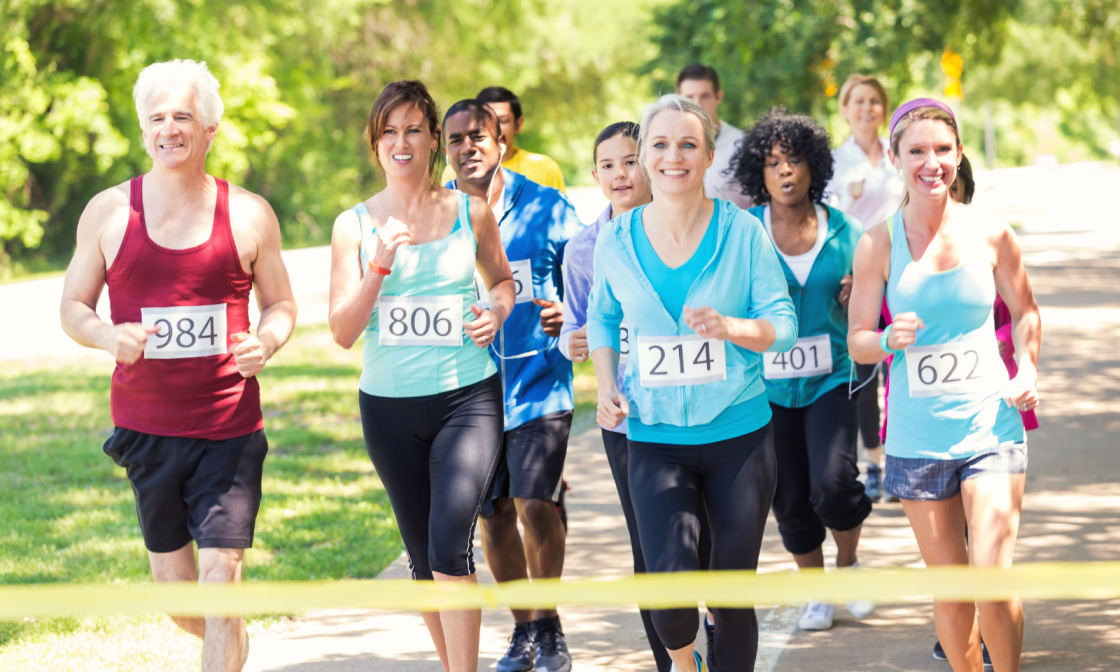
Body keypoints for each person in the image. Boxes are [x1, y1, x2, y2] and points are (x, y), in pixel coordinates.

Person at [59, 59, 297, 671]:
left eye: (183, 116)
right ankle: (232, 635)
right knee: (179, 598)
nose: (170, 129)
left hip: (229, 429)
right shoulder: (108, 212)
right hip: (146, 428)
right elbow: (73, 307)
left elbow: (282, 304)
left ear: (210, 130)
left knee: (223, 576)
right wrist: (107, 336)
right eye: (158, 118)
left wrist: (264, 344)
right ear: (144, 130)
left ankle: (226, 632)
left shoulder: (248, 214)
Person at [587, 94, 797, 672]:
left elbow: (783, 323)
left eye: (687, 144)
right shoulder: (617, 239)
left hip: (739, 435)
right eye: (659, 145)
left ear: (707, 157)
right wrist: (607, 383)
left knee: (731, 596)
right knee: (671, 598)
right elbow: (601, 317)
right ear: (642, 158)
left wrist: (734, 327)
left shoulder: (744, 233)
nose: (672, 156)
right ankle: (685, 662)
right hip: (654, 437)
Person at [327, 80, 515, 672]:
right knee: (420, 560)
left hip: (468, 399)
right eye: (389, 131)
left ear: (434, 138)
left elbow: (504, 283)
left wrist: (496, 311)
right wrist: (379, 264)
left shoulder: (469, 210)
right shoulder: (353, 225)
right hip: (388, 407)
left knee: (448, 549)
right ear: (375, 143)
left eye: (413, 129)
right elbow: (342, 330)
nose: (401, 142)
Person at [848, 98, 1041, 672]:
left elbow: (1025, 311)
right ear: (894, 157)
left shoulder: (991, 232)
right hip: (917, 440)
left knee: (991, 577)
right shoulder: (877, 243)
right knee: (954, 592)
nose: (931, 163)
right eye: (917, 151)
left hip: (991, 428)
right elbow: (857, 338)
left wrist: (1026, 368)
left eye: (942, 150)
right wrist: (885, 341)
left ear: (958, 154)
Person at [559, 121, 718, 672]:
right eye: (607, 165)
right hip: (629, 418)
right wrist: (573, 341)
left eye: (630, 161)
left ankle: (720, 629)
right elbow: (577, 325)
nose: (620, 174)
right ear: (595, 175)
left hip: (703, 410)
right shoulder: (584, 247)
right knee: (651, 544)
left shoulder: (702, 226)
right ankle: (673, 661)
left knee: (706, 537)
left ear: (651, 164)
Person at [444, 98, 583, 672]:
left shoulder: (547, 205)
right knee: (494, 513)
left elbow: (589, 275)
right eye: (455, 139)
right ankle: (524, 631)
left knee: (536, 503)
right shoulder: (435, 213)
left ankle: (548, 629)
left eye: (478, 135)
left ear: (501, 141)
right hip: (471, 392)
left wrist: (570, 315)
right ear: (442, 150)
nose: (467, 147)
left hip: (539, 380)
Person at [730, 107, 875, 631]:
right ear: (759, 174)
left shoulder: (849, 230)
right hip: (764, 387)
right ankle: (815, 589)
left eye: (794, 160)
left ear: (814, 165)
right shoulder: (743, 232)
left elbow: (873, 300)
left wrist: (861, 293)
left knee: (834, 483)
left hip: (830, 377)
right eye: (773, 163)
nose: (785, 171)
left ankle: (849, 563)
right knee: (788, 496)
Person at [825, 74, 904, 502]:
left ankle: (903, 456)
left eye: (875, 101)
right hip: (858, 278)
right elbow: (829, 223)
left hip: (902, 274)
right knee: (865, 371)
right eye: (858, 101)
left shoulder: (898, 154)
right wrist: (850, 199)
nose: (867, 108)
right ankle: (874, 462)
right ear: (845, 107)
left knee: (902, 368)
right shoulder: (836, 162)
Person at [440, 86, 565, 192]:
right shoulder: (455, 170)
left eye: (503, 121)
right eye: (486, 122)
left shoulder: (545, 168)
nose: (495, 128)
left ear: (518, 124)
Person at [676, 64, 753, 210]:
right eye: (689, 97)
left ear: (719, 97)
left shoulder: (742, 145)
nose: (696, 104)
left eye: (705, 96)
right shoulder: (666, 150)